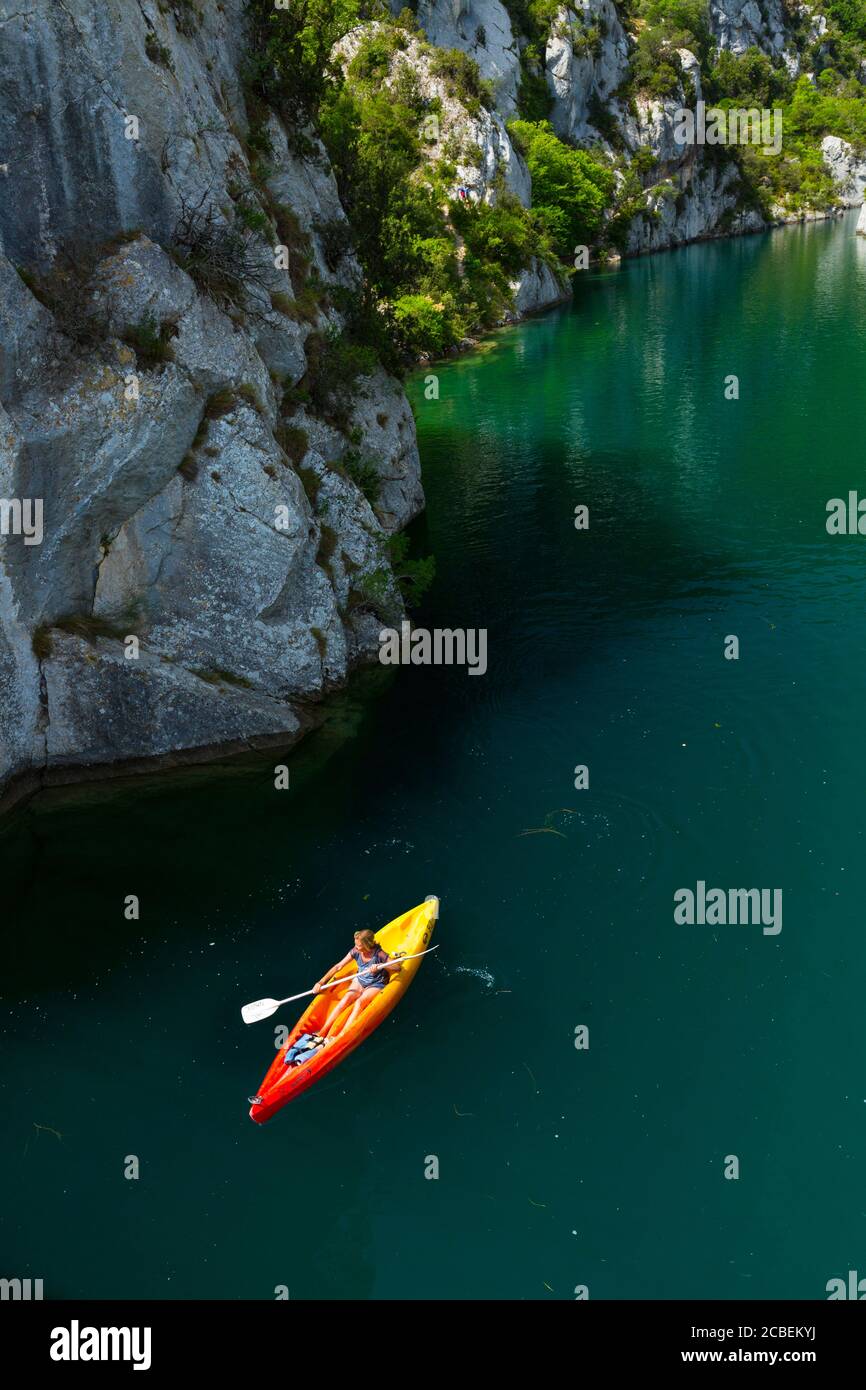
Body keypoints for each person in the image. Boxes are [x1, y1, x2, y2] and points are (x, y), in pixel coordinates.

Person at [314, 930, 403, 1043]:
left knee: (359, 1003)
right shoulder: (355, 951)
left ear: (367, 945)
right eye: (355, 944)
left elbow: (397, 967)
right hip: (360, 981)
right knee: (345, 999)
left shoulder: (379, 954)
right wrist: (321, 982)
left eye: (359, 945)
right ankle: (322, 1033)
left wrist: (381, 966)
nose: (356, 947)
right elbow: (338, 967)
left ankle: (341, 1036)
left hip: (376, 983)